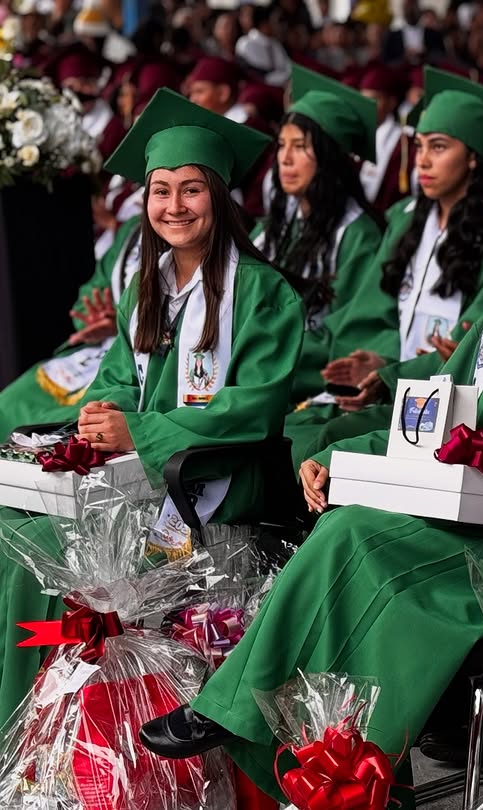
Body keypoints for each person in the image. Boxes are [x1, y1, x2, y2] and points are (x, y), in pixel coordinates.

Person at [139, 122, 483, 804]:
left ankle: (331, 760)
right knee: (345, 527)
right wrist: (338, 459)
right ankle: (302, 744)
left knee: (384, 576)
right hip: (464, 533)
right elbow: (427, 425)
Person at [0, 88, 304, 723]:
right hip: (136, 479)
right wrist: (103, 414)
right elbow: (117, 374)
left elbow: (250, 409)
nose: (174, 206)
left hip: (211, 488)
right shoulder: (150, 283)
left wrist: (137, 431)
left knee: (38, 558)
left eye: (191, 189)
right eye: (160, 191)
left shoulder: (263, 292)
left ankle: (32, 724)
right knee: (11, 535)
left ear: (219, 196)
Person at [285, 67, 483, 459]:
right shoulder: (405, 219)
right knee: (289, 433)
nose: (422, 161)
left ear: (473, 158)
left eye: (438, 148)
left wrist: (393, 373)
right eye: (420, 146)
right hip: (391, 381)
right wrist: (378, 359)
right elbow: (373, 312)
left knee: (324, 441)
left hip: (451, 397)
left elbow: (475, 334)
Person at [253, 64, 384, 412]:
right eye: (282, 145)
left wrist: (263, 354)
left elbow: (347, 333)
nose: (284, 158)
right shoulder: (276, 226)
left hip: (307, 387)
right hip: (263, 367)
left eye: (299, 146)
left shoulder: (359, 236)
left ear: (329, 157)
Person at [0, 215, 141, 443]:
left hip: (142, 357)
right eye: (160, 196)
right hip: (103, 351)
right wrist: (95, 318)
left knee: (83, 419)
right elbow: (93, 292)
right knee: (10, 402)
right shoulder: (134, 230)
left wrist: (124, 321)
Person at [353, 62, 415, 214]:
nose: (366, 106)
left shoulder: (406, 144)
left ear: (391, 103)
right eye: (363, 99)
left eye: (374, 99)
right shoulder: (352, 137)